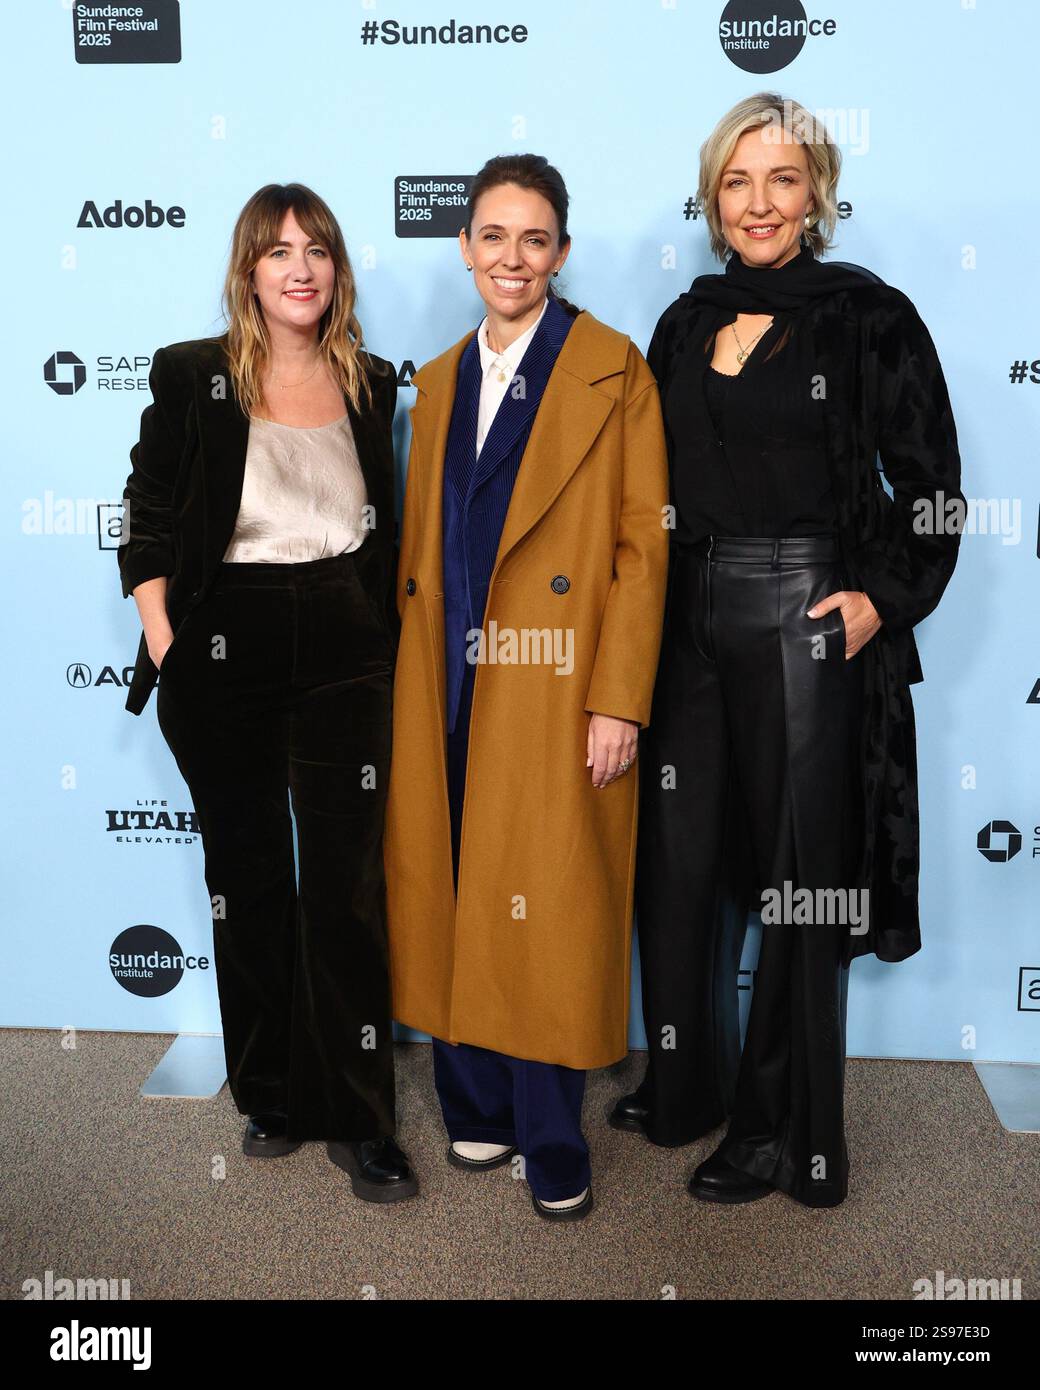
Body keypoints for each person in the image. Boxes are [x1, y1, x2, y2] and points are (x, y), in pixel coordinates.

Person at [610, 93, 964, 1208]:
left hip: (806, 612)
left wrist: (882, 599)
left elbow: (934, 492)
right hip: (687, 616)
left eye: (780, 179)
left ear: (815, 191)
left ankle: (779, 1131)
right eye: (736, 181)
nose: (757, 203)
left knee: (798, 884)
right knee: (677, 868)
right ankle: (687, 1082)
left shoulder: (868, 317)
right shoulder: (681, 320)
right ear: (710, 197)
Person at [117, 183, 417, 1203]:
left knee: (345, 887)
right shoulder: (194, 374)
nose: (300, 265)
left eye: (317, 248)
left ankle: (362, 1118)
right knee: (245, 881)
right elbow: (149, 515)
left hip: (344, 646)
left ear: (335, 267)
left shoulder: (371, 381)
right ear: (248, 269)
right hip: (221, 652)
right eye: (277, 249)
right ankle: (274, 1094)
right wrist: (168, 640)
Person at [384, 155, 669, 1220]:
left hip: (552, 683)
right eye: (493, 237)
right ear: (465, 248)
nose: (513, 258)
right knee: (450, 874)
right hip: (444, 676)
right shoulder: (439, 376)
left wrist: (618, 697)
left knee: (548, 900)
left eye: (534, 238)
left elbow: (643, 549)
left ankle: (551, 1129)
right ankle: (476, 1097)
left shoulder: (612, 368)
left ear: (560, 249)